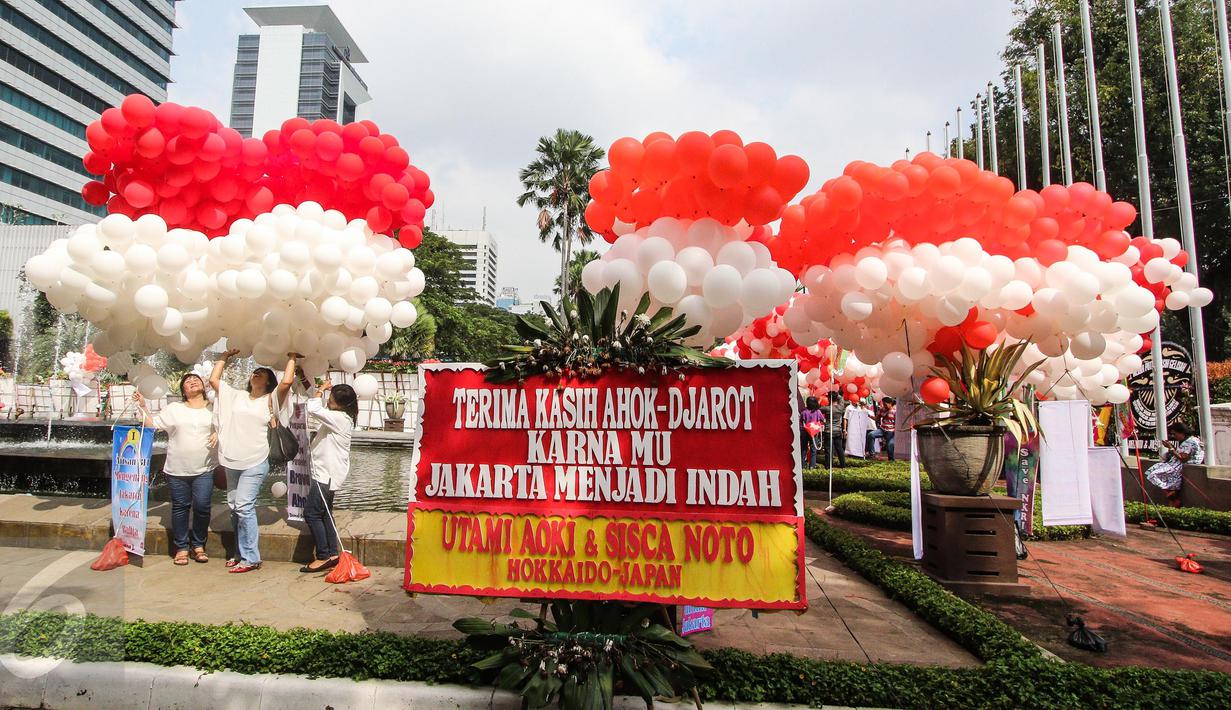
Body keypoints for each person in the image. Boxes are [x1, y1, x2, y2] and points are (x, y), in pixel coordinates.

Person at [210, 350, 297, 573]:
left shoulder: (270, 400)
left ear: (269, 382)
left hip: (255, 461)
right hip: (231, 459)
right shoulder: (236, 396)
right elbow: (213, 380)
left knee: (244, 506)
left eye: (262, 373)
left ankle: (251, 557)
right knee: (233, 507)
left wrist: (292, 356)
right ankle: (240, 552)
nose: (256, 374)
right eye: (254, 372)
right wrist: (224, 356)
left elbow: (287, 382)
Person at [134, 374, 215, 566]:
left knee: (202, 507)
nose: (192, 382)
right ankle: (181, 548)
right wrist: (143, 405)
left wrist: (218, 432)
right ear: (183, 391)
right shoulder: (174, 409)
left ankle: (198, 545)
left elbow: (227, 426)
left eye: (196, 379)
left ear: (203, 385)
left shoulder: (214, 408)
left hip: (205, 467)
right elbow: (153, 425)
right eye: (187, 381)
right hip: (177, 468)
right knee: (180, 507)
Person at [299, 378, 358, 573]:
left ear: (337, 402)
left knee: (312, 513)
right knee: (324, 513)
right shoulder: (340, 416)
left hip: (327, 475)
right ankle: (332, 553)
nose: (327, 398)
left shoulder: (339, 418)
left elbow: (313, 408)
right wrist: (307, 381)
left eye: (330, 397)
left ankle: (323, 555)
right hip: (327, 472)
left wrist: (321, 389)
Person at [1145, 422, 1204, 507]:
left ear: (1182, 432)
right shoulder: (1192, 439)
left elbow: (1183, 458)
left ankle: (1171, 496)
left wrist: (1171, 448)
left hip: (1181, 466)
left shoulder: (1189, 442)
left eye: (1174, 434)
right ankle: (1171, 495)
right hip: (1178, 464)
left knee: (1152, 474)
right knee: (1152, 471)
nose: (1174, 437)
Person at [799, 396, 826, 468]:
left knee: (803, 449)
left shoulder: (804, 412)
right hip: (814, 433)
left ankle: (802, 465)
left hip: (805, 432)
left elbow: (801, 422)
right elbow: (823, 420)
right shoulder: (818, 412)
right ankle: (812, 466)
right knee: (813, 450)